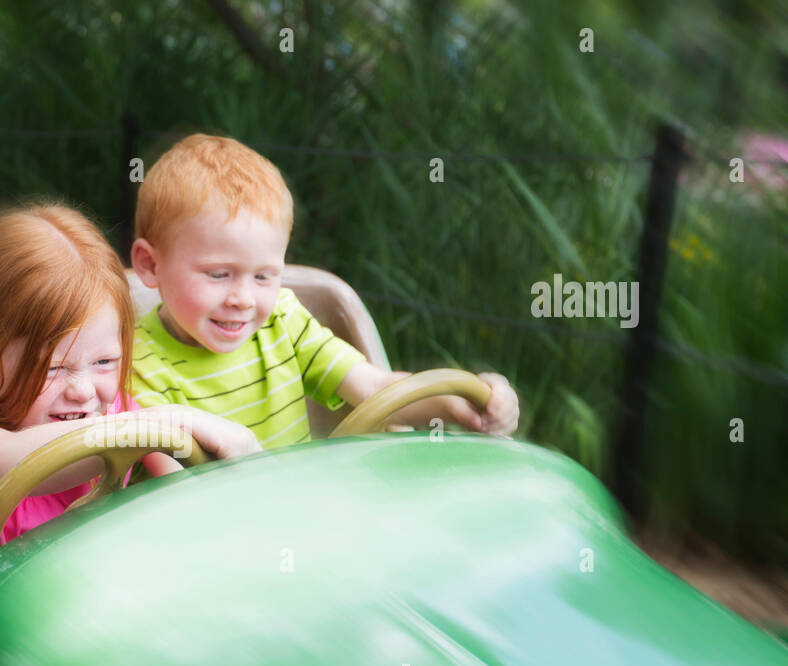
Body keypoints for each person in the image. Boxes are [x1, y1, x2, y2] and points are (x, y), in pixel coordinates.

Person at [0, 203, 259, 618]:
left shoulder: (118, 414)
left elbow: (182, 500)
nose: (83, 390)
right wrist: (161, 420)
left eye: (105, 362)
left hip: (55, 609)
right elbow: (8, 461)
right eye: (53, 368)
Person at [128, 134, 520, 447]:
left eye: (263, 276)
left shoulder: (282, 319)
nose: (243, 299)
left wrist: (458, 403)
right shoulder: (138, 364)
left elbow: (374, 388)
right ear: (150, 265)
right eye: (218, 275)